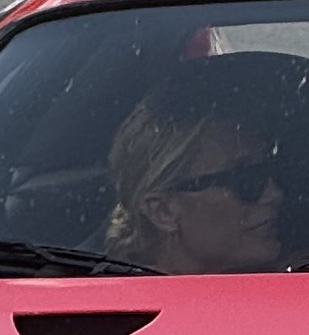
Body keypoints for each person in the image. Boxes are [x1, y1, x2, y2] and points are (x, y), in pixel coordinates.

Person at [107, 89, 285, 274]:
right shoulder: (116, 301)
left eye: (269, 170)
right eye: (246, 180)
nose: (274, 194)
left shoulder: (303, 275)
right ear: (163, 211)